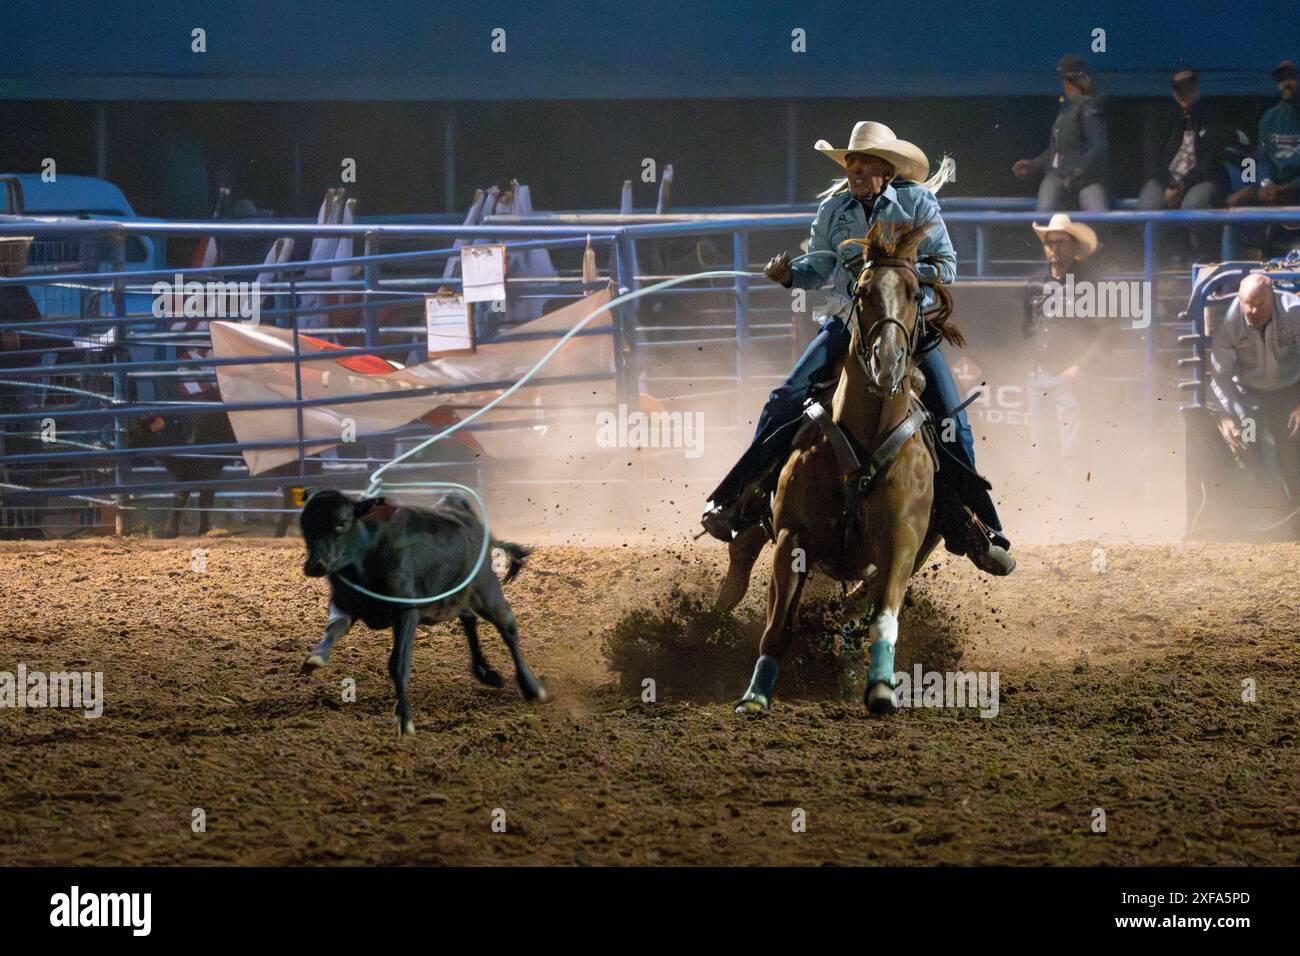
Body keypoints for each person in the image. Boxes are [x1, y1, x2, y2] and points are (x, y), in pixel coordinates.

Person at [700, 121, 1015, 576]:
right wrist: (791, 275)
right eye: (852, 169)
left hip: (906, 329)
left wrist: (900, 285)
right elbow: (820, 266)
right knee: (784, 400)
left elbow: (945, 266)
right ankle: (738, 500)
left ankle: (982, 528)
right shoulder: (835, 210)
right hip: (849, 323)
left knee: (951, 421)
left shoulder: (918, 203)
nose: (857, 177)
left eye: (866, 169)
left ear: (887, 172)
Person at [1023, 214, 1109, 477]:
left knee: (1071, 448)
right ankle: (1045, 501)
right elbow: (1028, 329)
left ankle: (1072, 507)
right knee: (1040, 444)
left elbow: (1106, 332)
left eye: (1060, 242)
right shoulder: (1035, 284)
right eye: (1050, 242)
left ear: (1073, 247)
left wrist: (1080, 366)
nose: (1054, 248)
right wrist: (1031, 364)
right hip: (1040, 374)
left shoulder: (1090, 284)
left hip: (1069, 376)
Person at [1209, 273, 1300, 506]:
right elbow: (1221, 374)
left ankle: (1294, 511)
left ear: (1273, 298)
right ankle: (1266, 506)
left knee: (1291, 448)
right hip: (1249, 397)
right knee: (1247, 438)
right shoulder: (1230, 322)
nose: (1251, 310)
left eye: (1258, 304)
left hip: (1290, 392)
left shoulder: (1295, 313)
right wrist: (1225, 415)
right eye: (1246, 303)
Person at [1137, 69, 1229, 262]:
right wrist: (1170, 183)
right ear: (1174, 93)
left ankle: (1204, 263)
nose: (1186, 96)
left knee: (1193, 205)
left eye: (1190, 90)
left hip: (1201, 179)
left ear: (1197, 89)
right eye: (1181, 92)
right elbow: (1152, 160)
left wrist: (1182, 186)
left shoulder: (1211, 116)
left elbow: (1209, 163)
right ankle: (1156, 266)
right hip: (1167, 179)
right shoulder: (1161, 117)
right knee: (1147, 206)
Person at [1013, 54, 1110, 212]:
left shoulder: (1089, 106)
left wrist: (1076, 175)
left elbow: (1098, 148)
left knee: (1096, 216)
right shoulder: (1067, 108)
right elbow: (1058, 150)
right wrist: (1033, 165)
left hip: (1086, 179)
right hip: (1059, 175)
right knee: (1046, 213)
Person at [1227, 61, 1300, 257]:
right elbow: (1256, 158)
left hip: (1294, 189)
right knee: (1233, 204)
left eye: (1291, 77)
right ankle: (1236, 275)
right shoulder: (1269, 118)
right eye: (1281, 79)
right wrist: (1253, 185)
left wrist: (1286, 189)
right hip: (1275, 189)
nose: (1286, 83)